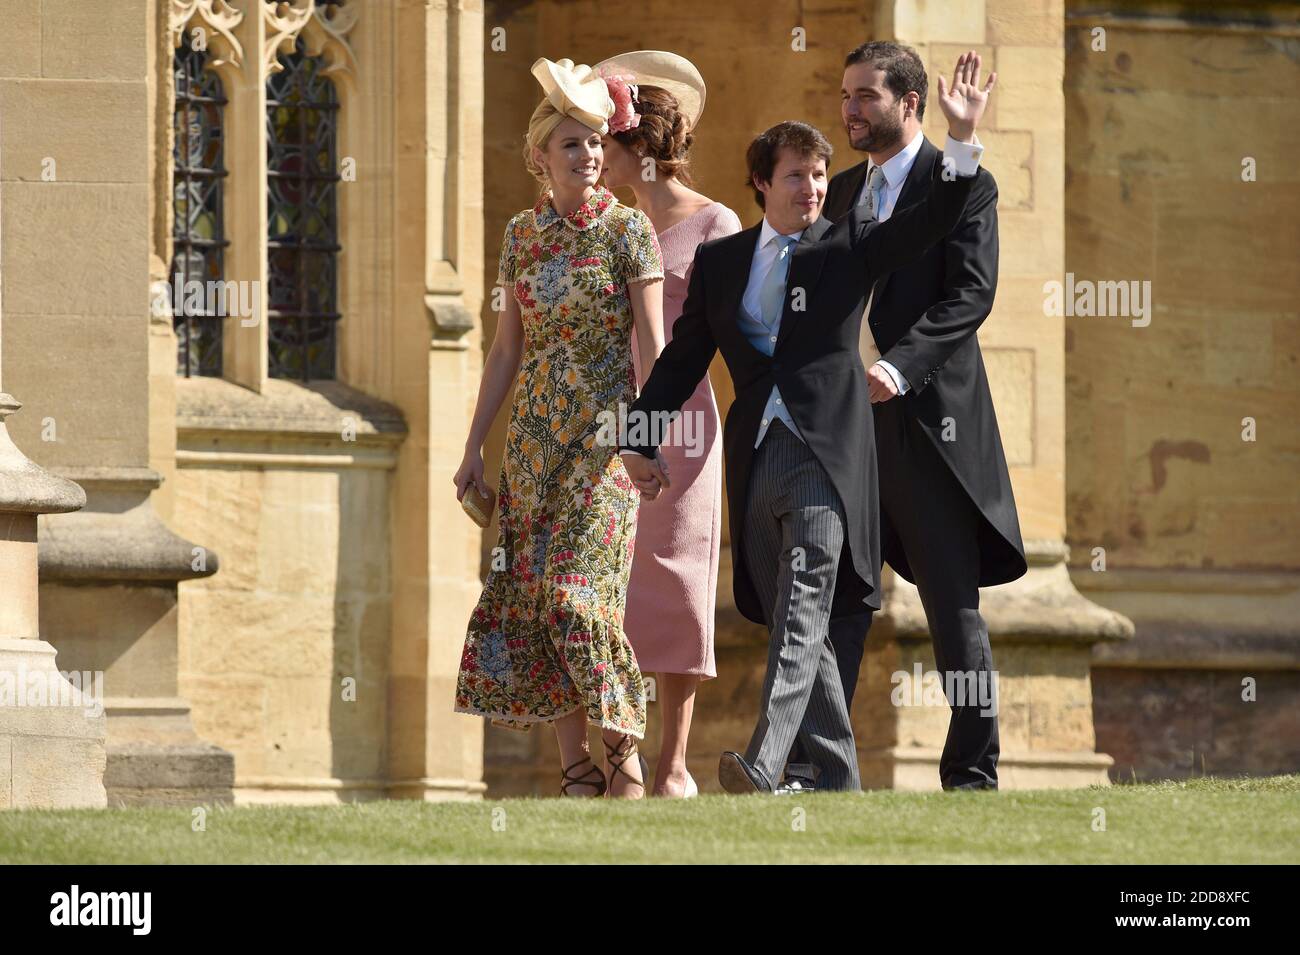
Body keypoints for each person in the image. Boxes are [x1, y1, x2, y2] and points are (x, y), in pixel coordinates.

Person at [621, 52, 997, 794]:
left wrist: (961, 143)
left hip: (832, 452)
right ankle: (834, 781)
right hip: (756, 458)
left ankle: (768, 760)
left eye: (821, 177)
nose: (815, 189)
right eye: (797, 176)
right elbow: (682, 360)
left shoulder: (847, 244)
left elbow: (932, 223)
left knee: (805, 603)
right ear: (762, 184)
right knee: (813, 622)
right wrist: (636, 437)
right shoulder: (725, 262)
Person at [779, 43, 1026, 792]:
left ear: (910, 103)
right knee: (833, 601)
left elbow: (969, 297)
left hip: (931, 430)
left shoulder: (964, 185)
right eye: (845, 94)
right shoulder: (841, 190)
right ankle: (816, 770)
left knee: (953, 610)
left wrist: (897, 365)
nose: (849, 109)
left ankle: (973, 776)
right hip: (847, 432)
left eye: (866, 96)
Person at [452, 57, 666, 799]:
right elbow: (507, 346)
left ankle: (624, 760)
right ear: (541, 155)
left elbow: (653, 345)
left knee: (581, 595)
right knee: (540, 595)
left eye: (597, 144)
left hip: (607, 441)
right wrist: (475, 444)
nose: (590, 156)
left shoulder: (629, 231)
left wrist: (645, 436)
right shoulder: (521, 235)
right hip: (533, 446)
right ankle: (575, 772)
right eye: (573, 144)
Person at [595, 51, 742, 798]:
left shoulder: (716, 222)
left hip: (683, 424)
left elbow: (739, 330)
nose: (595, 154)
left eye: (605, 142)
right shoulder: (608, 225)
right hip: (610, 420)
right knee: (607, 583)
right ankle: (620, 762)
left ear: (638, 145)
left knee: (679, 580)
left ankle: (673, 764)